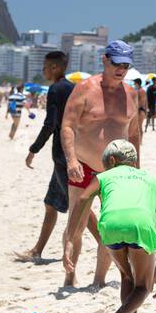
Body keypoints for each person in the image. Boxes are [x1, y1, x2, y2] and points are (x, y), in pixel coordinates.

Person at [66, 139, 156, 313]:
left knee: (127, 278)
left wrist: (70, 239)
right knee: (143, 286)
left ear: (111, 160)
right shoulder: (152, 180)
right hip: (140, 227)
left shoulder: (103, 177)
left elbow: (82, 198)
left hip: (110, 228)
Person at [61, 40, 141, 289]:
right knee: (77, 224)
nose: (122, 69)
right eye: (117, 63)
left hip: (116, 171)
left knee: (112, 227)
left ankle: (99, 280)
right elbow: (67, 126)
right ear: (105, 60)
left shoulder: (131, 93)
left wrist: (136, 168)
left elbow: (135, 133)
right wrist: (71, 159)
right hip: (83, 166)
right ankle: (69, 277)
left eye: (126, 65)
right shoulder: (84, 89)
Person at [15, 51, 74, 263]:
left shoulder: (56, 89)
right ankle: (37, 250)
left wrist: (33, 149)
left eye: (45, 67)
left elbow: (50, 124)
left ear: (56, 68)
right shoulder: (73, 88)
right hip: (70, 153)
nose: (43, 70)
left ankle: (108, 247)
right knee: (51, 204)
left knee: (79, 208)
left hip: (62, 155)